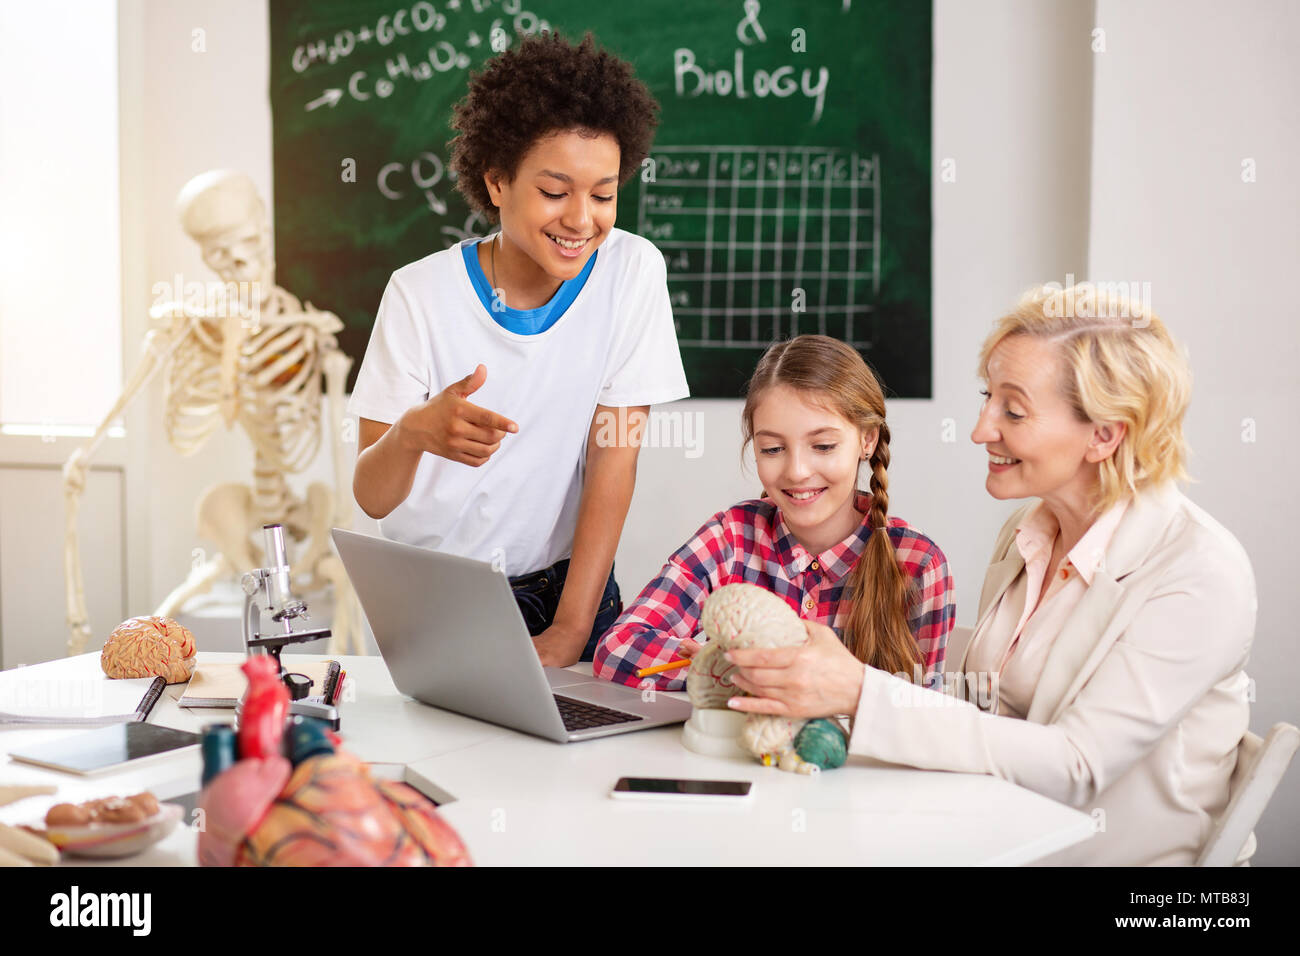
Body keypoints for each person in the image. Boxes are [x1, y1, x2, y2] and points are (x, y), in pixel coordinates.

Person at [725, 286, 1256, 866]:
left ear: (1104, 433)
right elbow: (985, 717)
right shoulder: (1027, 533)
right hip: (994, 842)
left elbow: (1077, 767)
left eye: (1013, 410)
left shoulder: (1199, 572)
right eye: (988, 399)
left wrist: (858, 689)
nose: (981, 429)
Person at [348, 33, 688, 666]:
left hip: (568, 592)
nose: (582, 220)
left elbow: (613, 466)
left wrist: (569, 628)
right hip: (434, 599)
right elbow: (372, 496)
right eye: (555, 192)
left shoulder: (632, 272)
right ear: (497, 181)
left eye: (604, 194)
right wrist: (416, 432)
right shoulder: (418, 294)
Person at [594, 334, 954, 691]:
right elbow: (617, 649)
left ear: (867, 440)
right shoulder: (732, 537)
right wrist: (730, 671)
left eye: (823, 445)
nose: (796, 471)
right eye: (773, 448)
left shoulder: (917, 565)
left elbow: (921, 720)